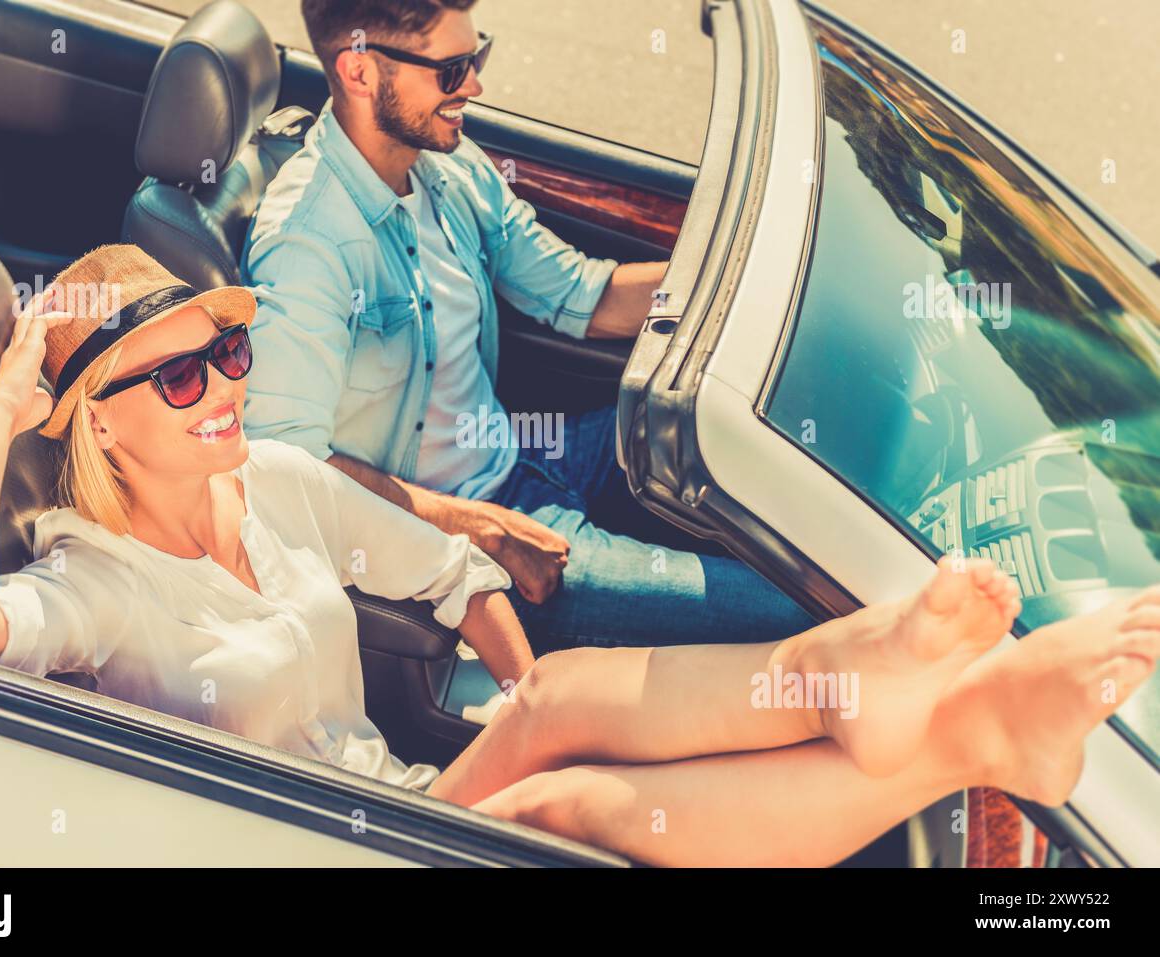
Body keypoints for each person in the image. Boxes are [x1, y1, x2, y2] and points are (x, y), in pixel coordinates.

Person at [0, 246, 1160, 866]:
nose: (228, 386)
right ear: (97, 424)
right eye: (179, 375)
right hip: (311, 843)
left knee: (553, 701)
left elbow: (454, 574)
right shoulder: (89, 586)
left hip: (393, 794)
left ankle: (886, 693)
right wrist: (3, 407)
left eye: (228, 354)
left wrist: (503, 691)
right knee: (557, 792)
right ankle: (957, 730)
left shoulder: (269, 480)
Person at [240, 0, 814, 653]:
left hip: (530, 455)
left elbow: (579, 294)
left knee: (759, 456)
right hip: (471, 546)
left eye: (475, 56)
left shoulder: (445, 166)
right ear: (361, 72)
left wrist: (753, 275)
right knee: (790, 613)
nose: (476, 87)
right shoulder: (308, 246)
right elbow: (288, 471)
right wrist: (484, 530)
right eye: (452, 70)